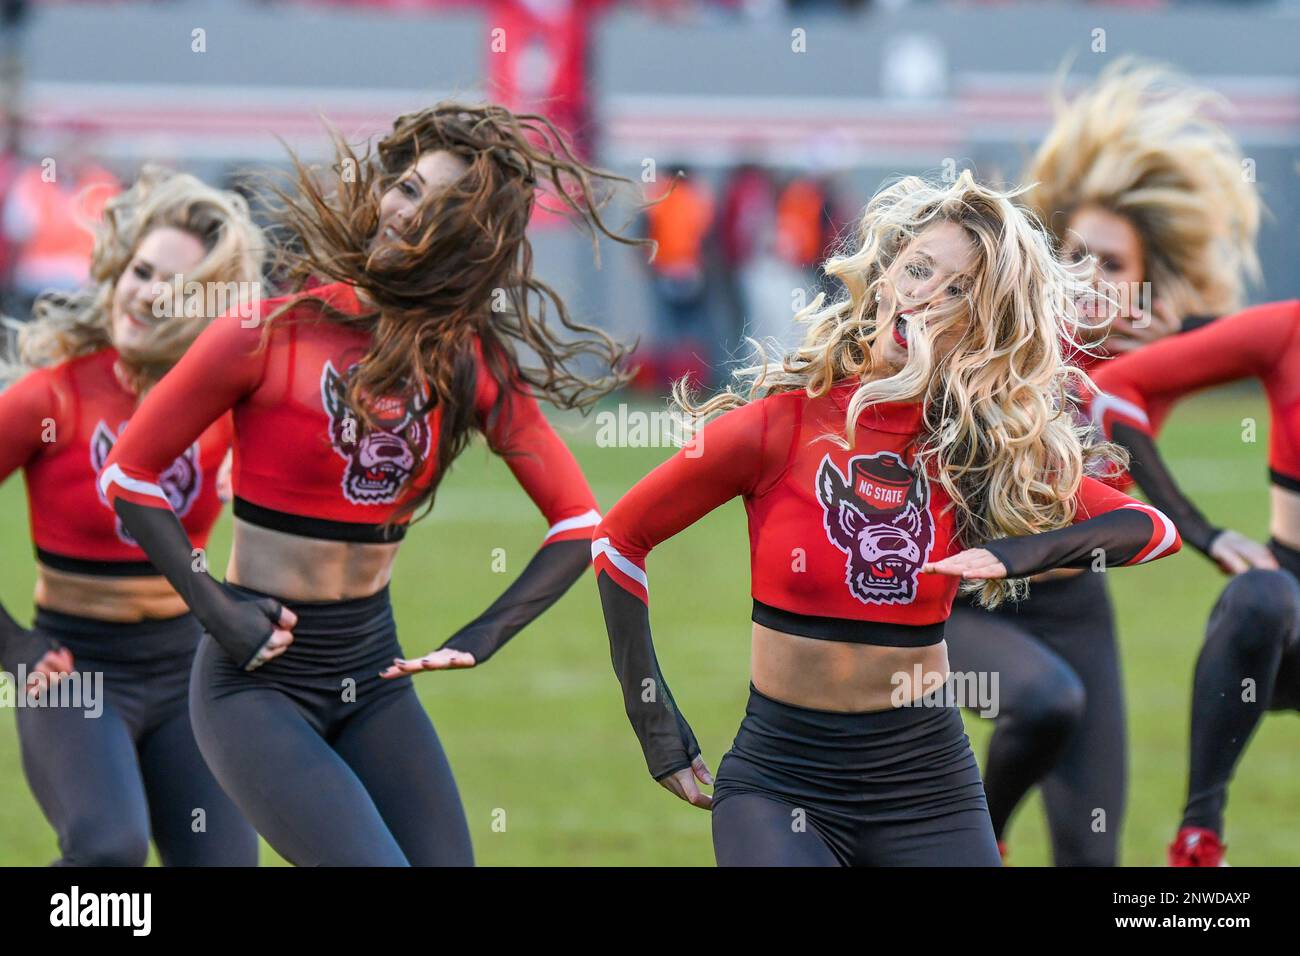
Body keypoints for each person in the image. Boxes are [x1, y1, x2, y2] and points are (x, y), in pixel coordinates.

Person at [99, 103, 648, 866]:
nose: (401, 208)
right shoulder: (268, 331)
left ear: (470, 235)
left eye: (434, 203)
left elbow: (580, 524)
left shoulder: (465, 360)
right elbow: (129, 475)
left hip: (374, 675)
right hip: (255, 683)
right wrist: (218, 612)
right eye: (406, 186)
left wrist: (482, 637)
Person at [592, 171, 1181, 867]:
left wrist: (1019, 556)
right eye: (919, 269)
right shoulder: (776, 427)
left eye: (959, 289)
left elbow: (1153, 531)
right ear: (883, 279)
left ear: (983, 325)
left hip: (929, 786)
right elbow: (620, 539)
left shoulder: (976, 448)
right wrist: (653, 719)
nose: (927, 295)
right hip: (783, 781)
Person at [943, 59, 1261, 865]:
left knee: (1093, 855)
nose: (1089, 278)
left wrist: (1176, 343)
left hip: (1075, 606)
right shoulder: (1002, 340)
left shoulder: (1153, 369)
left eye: (1112, 266)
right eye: (1075, 255)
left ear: (1147, 287)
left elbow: (1256, 346)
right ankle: (983, 837)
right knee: (1044, 707)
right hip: (969, 601)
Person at [0, 166, 263, 866]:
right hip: (78, 670)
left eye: (173, 286)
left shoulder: (231, 401)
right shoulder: (49, 400)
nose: (146, 293)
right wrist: (10, 646)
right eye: (141, 270)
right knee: (107, 852)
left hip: (190, 674)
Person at [1093, 298, 1300, 867]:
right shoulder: (1288, 329)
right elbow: (1113, 387)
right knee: (1261, 596)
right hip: (1288, 607)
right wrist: (1196, 529)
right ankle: (1198, 842)